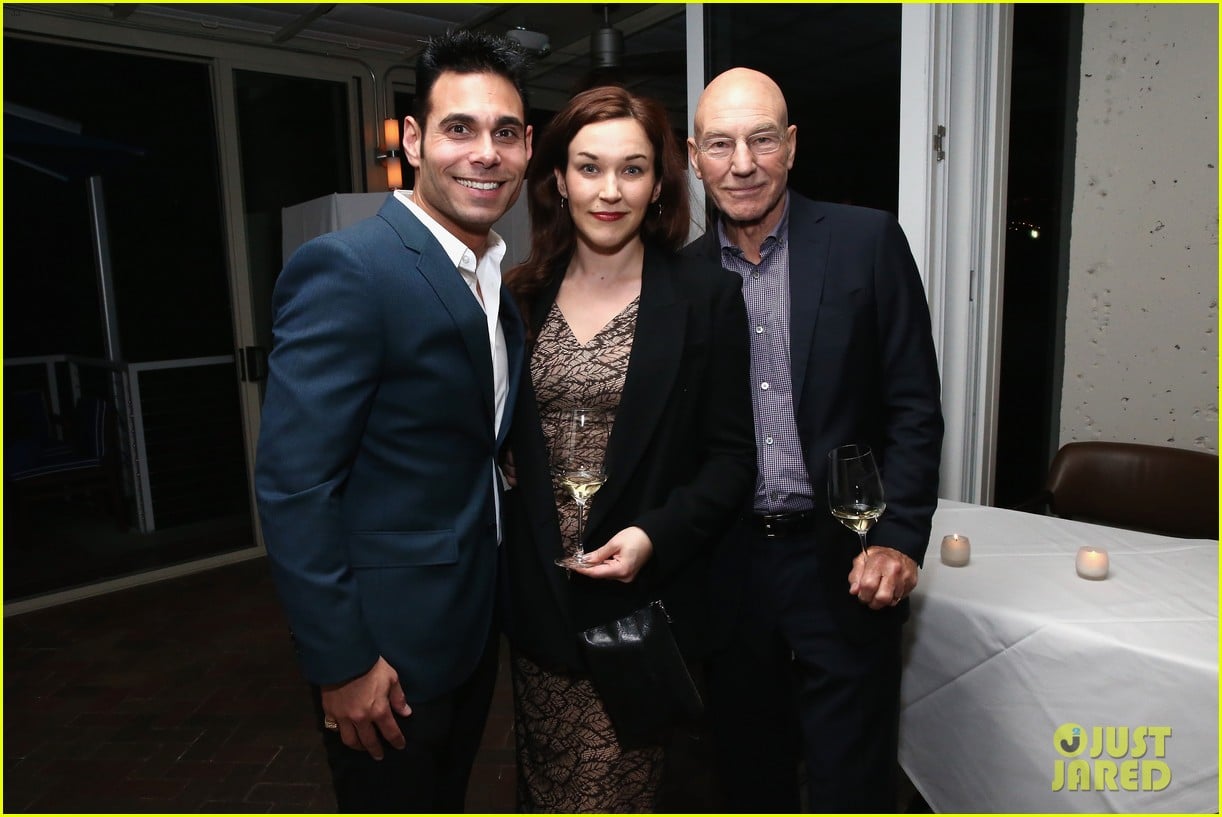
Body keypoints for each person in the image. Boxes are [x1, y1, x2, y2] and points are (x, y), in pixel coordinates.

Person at [253, 30, 532, 813]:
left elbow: (465, 435)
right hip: (384, 654)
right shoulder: (350, 268)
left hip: (468, 628)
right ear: (413, 140)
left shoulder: (490, 277)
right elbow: (293, 483)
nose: (484, 152)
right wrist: (341, 663)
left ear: (527, 147)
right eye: (459, 128)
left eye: (504, 132)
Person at [684, 67, 945, 812]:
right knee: (746, 775)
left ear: (791, 146)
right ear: (694, 155)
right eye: (721, 144)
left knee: (851, 780)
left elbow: (913, 408)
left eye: (762, 139)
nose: (743, 163)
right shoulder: (680, 279)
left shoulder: (866, 243)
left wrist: (898, 537)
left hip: (846, 562)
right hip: (730, 573)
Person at [501, 85, 756, 812]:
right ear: (557, 179)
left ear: (659, 184)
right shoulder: (520, 296)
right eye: (589, 167)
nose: (609, 190)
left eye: (632, 168)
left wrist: (653, 535)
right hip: (540, 606)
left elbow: (734, 458)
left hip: (638, 609)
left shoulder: (706, 296)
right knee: (547, 788)